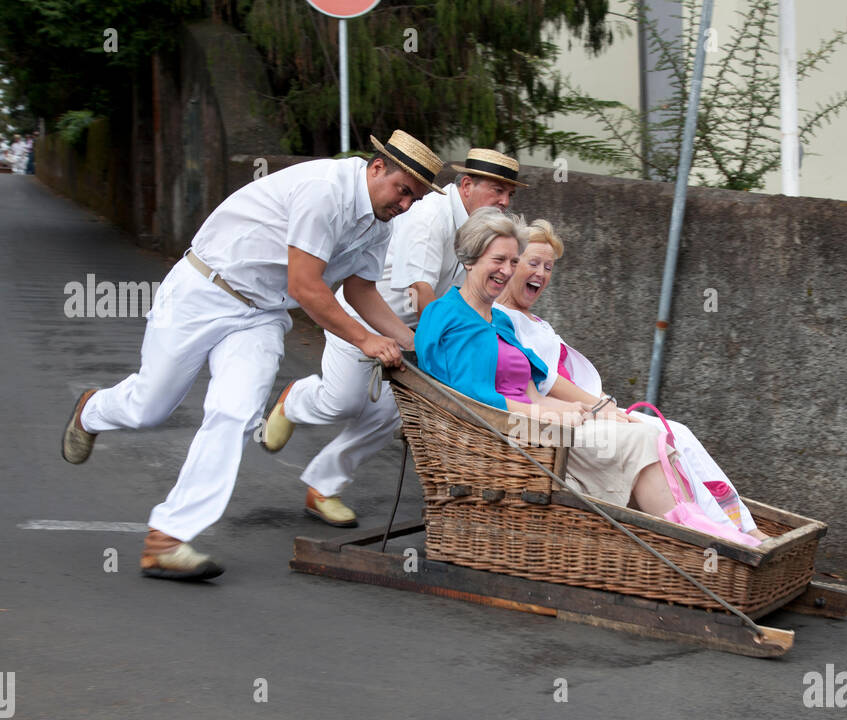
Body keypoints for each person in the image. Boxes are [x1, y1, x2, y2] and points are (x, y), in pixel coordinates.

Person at [60, 130, 445, 580]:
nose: (404, 206)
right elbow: (306, 286)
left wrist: (412, 344)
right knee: (150, 406)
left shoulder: (380, 222)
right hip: (204, 289)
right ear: (378, 168)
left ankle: (167, 538)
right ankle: (92, 410)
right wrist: (365, 341)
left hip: (260, 314)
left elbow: (360, 289)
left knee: (236, 413)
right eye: (403, 191)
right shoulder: (326, 191)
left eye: (414, 200)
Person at [414, 210, 757, 545]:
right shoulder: (446, 315)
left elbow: (533, 393)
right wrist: (550, 415)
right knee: (636, 441)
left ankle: (701, 531)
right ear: (471, 259)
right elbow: (471, 401)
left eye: (513, 261)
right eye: (498, 260)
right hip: (502, 435)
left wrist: (582, 409)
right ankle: (695, 545)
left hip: (535, 425)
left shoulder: (499, 321)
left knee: (648, 433)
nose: (507, 270)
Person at [262, 148, 527, 527]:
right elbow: (421, 292)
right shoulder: (429, 214)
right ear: (466, 186)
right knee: (341, 403)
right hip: (360, 319)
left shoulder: (481, 232)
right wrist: (445, 351)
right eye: (498, 190)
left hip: (411, 333)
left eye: (510, 195)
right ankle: (296, 400)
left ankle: (323, 487)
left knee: (391, 413)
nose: (504, 201)